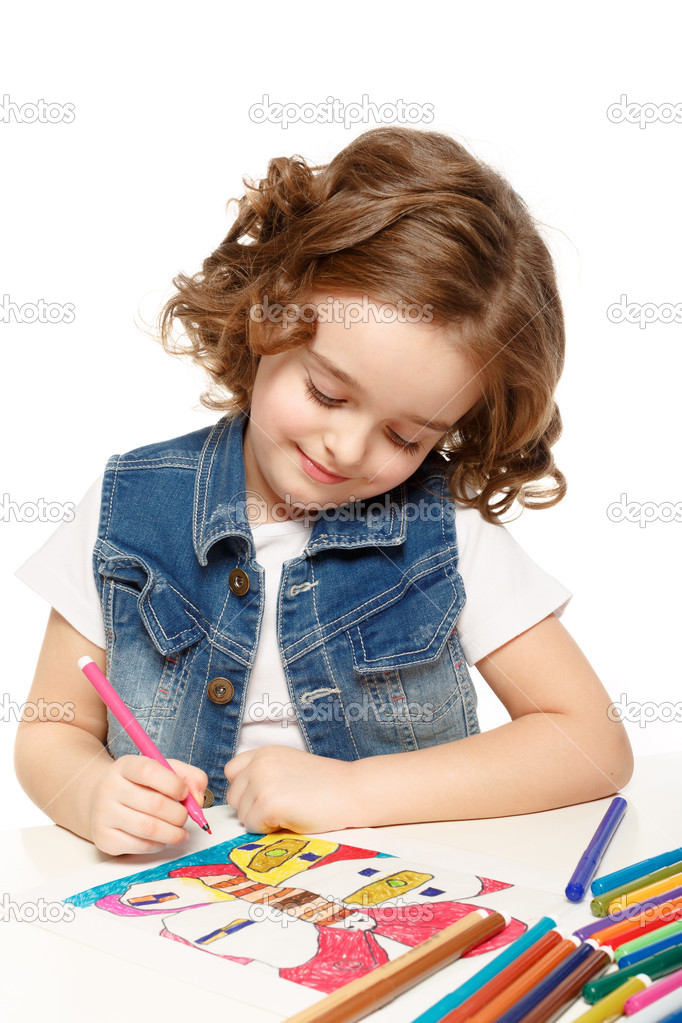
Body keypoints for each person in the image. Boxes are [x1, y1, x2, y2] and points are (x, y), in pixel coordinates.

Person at [14, 126, 633, 856]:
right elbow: (51, 730)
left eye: (406, 437)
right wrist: (89, 793)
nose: (348, 449)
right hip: (172, 915)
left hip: (395, 908)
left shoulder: (443, 531)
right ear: (268, 309)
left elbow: (590, 740)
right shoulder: (130, 507)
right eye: (328, 392)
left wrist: (355, 791)